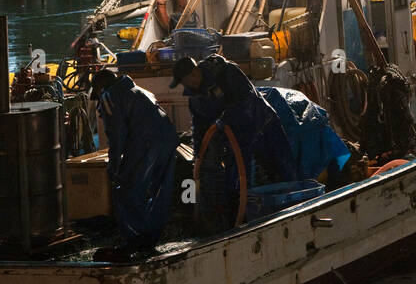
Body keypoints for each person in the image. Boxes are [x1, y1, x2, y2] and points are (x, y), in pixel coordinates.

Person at [171, 54, 296, 213]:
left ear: (194, 73)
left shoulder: (226, 71)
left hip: (263, 124)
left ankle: (292, 202)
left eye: (183, 81)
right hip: (236, 139)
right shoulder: (195, 98)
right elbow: (199, 126)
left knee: (282, 164)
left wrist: (227, 118)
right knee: (237, 179)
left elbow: (247, 97)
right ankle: (243, 213)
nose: (184, 86)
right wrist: (198, 155)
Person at [90, 69, 178, 261]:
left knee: (125, 190)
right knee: (158, 191)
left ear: (100, 88)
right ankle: (152, 237)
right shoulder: (139, 89)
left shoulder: (109, 95)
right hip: (169, 139)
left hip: (145, 142)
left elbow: (116, 135)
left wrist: (113, 167)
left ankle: (135, 240)